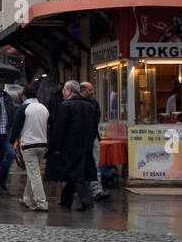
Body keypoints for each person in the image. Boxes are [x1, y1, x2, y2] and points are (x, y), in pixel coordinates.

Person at [47, 81, 98, 210]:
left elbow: (60, 128)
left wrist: (54, 147)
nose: (63, 93)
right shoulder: (89, 106)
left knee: (75, 175)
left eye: (64, 90)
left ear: (69, 91)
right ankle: (66, 199)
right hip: (85, 145)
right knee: (76, 172)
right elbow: (93, 127)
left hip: (69, 146)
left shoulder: (66, 106)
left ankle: (86, 199)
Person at [9, 82, 50, 210]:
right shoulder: (44, 108)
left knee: (34, 174)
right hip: (42, 144)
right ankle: (27, 197)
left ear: (24, 96)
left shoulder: (24, 108)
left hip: (29, 144)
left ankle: (41, 202)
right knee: (33, 172)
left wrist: (11, 140)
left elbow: (17, 127)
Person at [80, 82, 108, 201]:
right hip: (81, 138)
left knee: (95, 164)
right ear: (83, 90)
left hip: (93, 137)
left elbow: (96, 119)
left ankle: (97, 190)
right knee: (80, 165)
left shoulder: (94, 103)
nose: (92, 92)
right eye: (90, 90)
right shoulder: (78, 103)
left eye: (92, 90)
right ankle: (81, 190)